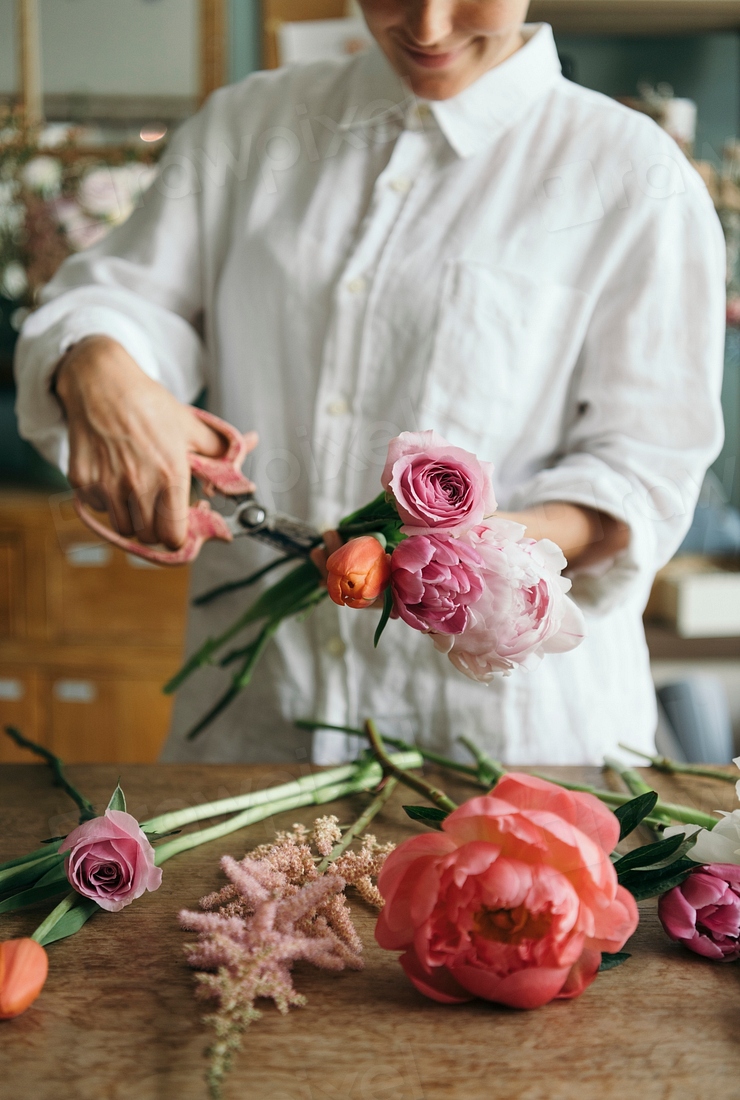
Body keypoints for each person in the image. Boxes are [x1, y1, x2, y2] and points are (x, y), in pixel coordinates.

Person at [15, 1, 725, 766]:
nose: (427, 27)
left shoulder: (630, 173)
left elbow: (641, 473)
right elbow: (121, 300)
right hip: (256, 729)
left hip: (506, 747)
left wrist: (460, 564)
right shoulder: (246, 127)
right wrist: (97, 360)